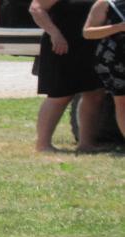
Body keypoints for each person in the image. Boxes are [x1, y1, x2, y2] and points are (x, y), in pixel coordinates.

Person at [31, 0, 104, 153]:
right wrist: (54, 33)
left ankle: (86, 143)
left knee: (94, 94)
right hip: (61, 44)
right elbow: (36, 8)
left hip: (92, 45)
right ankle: (43, 144)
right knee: (60, 95)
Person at [84, 0, 125, 138]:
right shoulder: (106, 3)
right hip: (117, 58)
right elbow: (88, 32)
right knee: (122, 102)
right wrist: (119, 27)